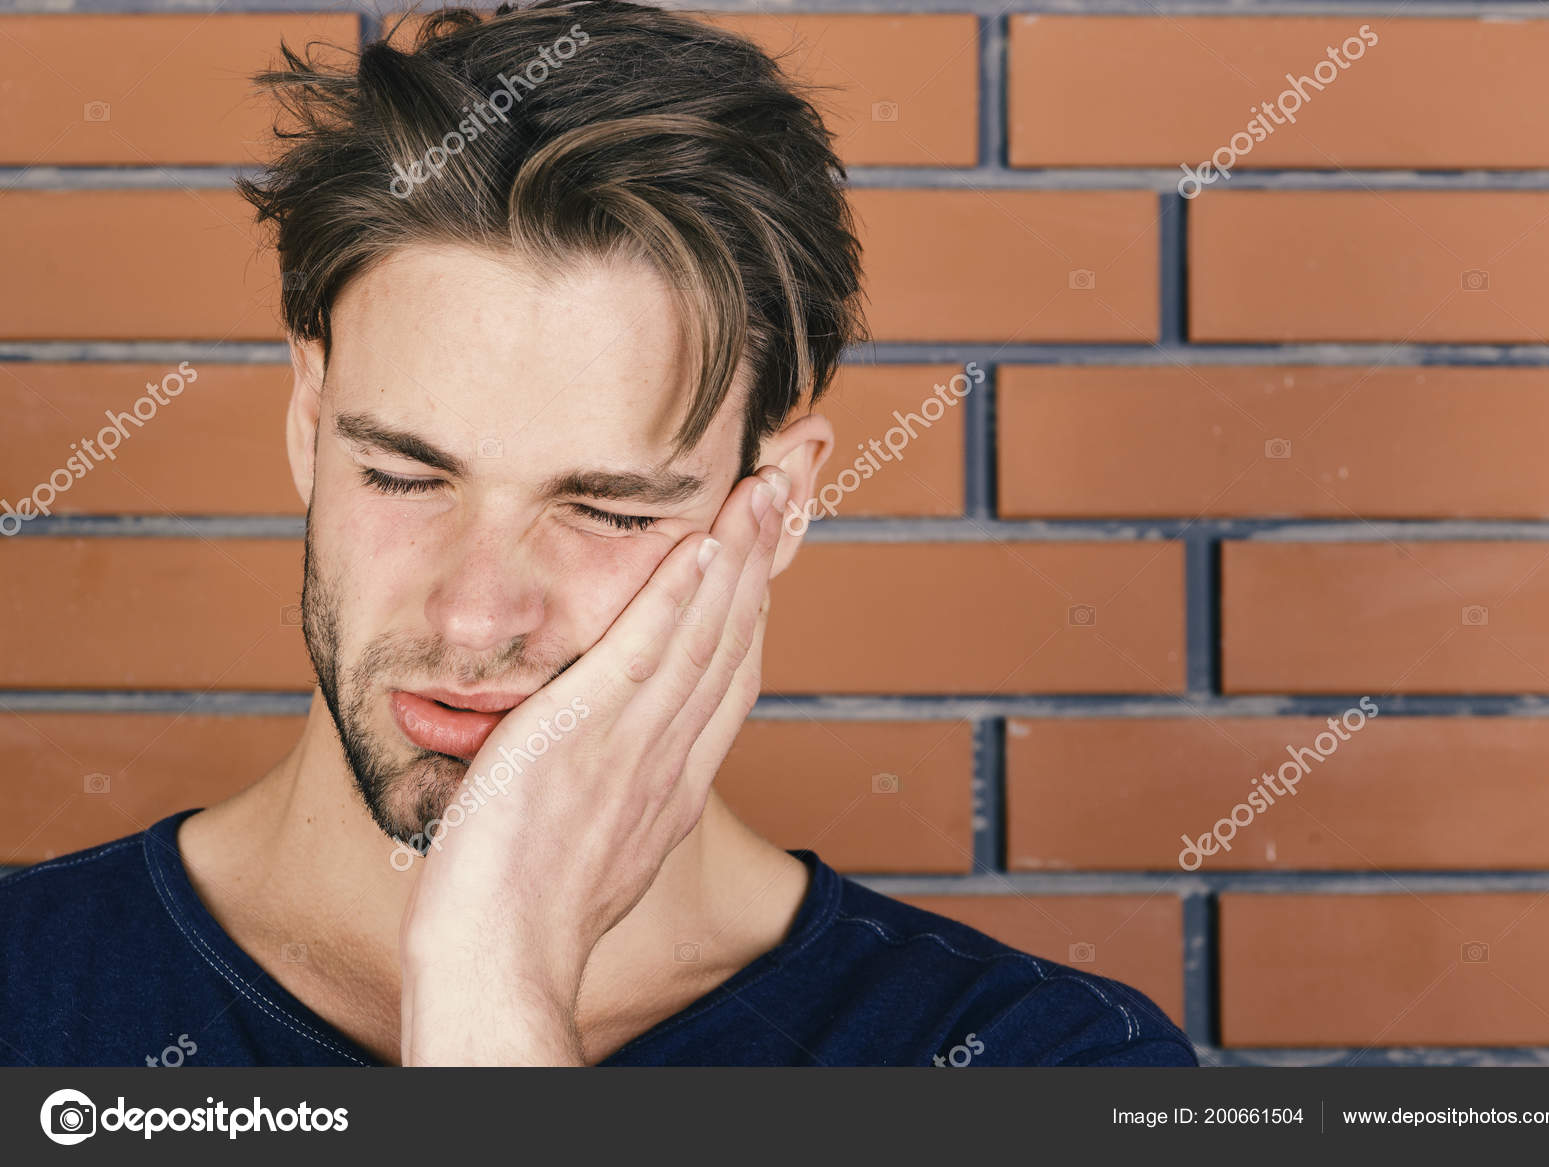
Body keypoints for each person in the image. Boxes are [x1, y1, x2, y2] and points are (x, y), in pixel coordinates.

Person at [0, 0, 1195, 1068]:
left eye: (608, 509)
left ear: (774, 503)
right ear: (310, 426)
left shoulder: (1038, 1064)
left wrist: (494, 979)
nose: (473, 616)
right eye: (406, 476)